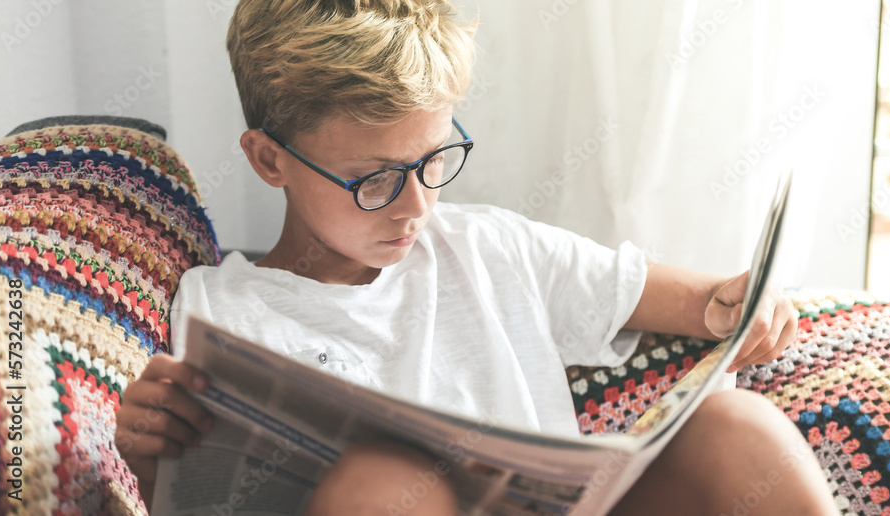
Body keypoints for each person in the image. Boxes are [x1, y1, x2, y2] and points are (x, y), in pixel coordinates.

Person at [115, 1, 839, 514]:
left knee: (739, 430)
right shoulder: (219, 308)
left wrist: (741, 304)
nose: (417, 206)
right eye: (375, 180)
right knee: (384, 485)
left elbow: (698, 301)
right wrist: (148, 453)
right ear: (270, 159)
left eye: (434, 161)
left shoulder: (489, 246)